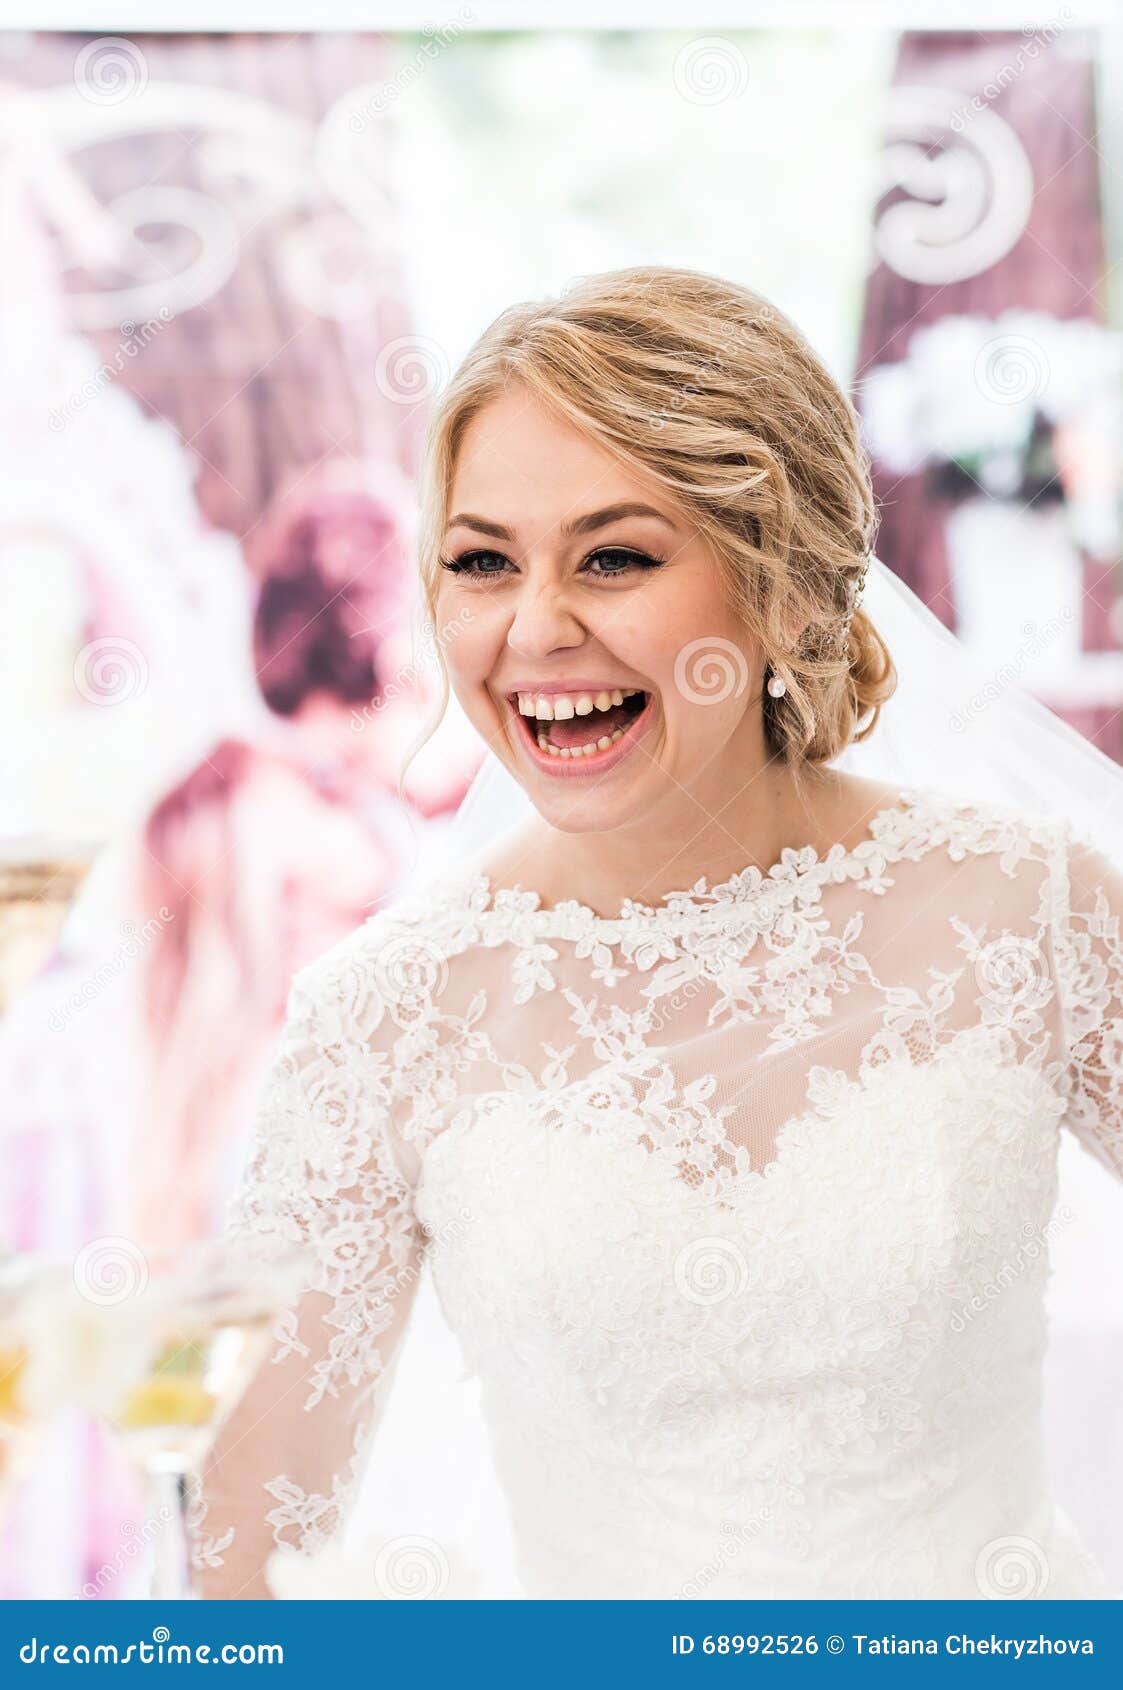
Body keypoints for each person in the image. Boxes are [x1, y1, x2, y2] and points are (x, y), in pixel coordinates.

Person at [189, 266, 1123, 1601]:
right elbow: (239, 1563)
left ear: (784, 588)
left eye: (615, 557)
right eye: (482, 562)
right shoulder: (380, 1019)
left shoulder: (1029, 907)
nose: (535, 629)